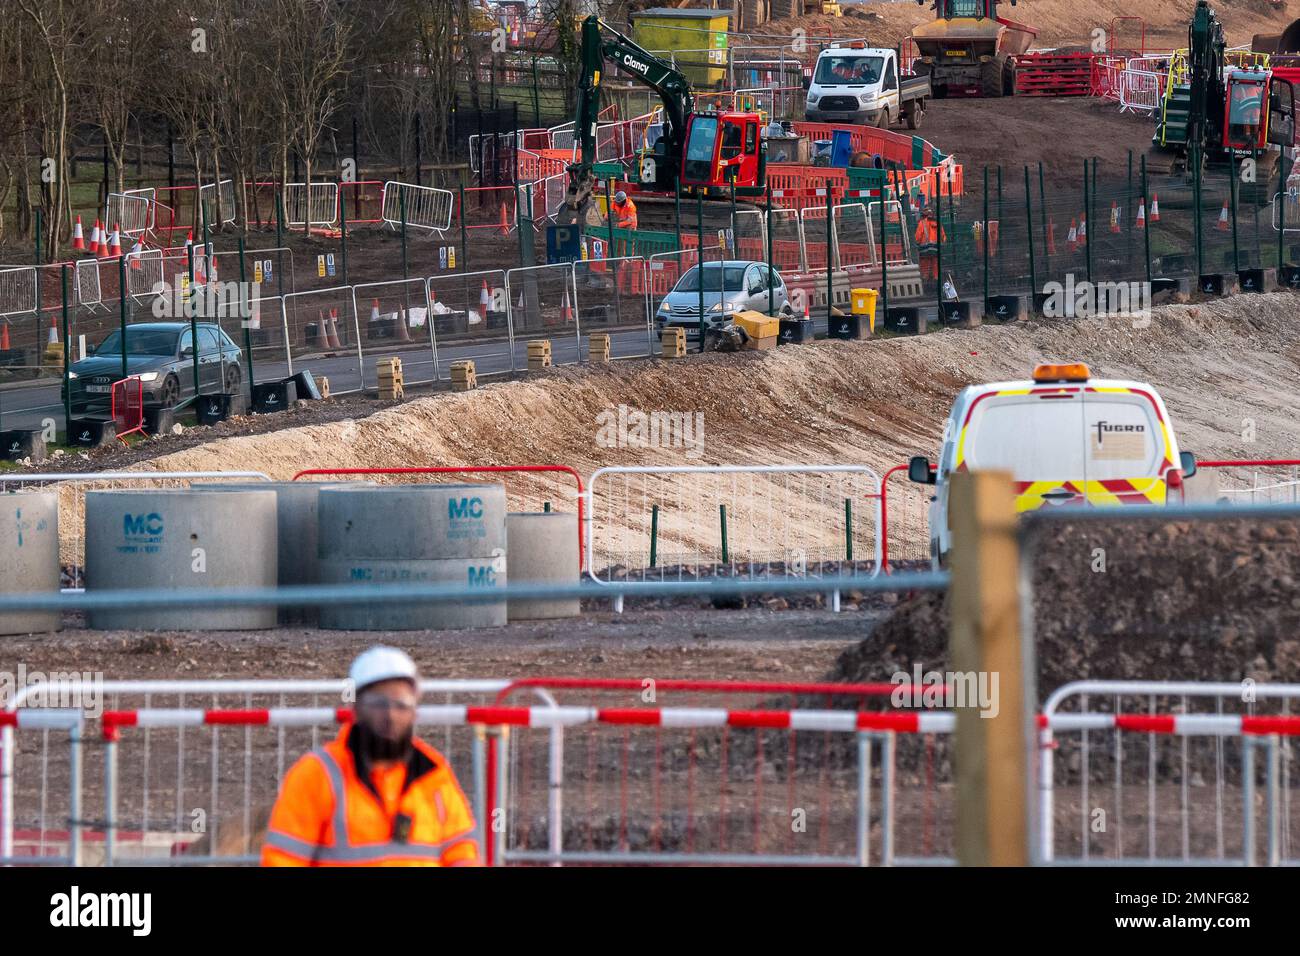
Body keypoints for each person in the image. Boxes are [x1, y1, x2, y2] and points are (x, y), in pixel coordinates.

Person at [261, 646, 480, 867]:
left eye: (402, 704)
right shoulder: (317, 775)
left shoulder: (434, 774)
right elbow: (282, 859)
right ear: (355, 707)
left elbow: (461, 852)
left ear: (415, 711)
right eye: (378, 704)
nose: (390, 716)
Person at [914, 206, 945, 281]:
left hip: (924, 250)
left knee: (925, 266)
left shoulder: (922, 223)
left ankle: (925, 280)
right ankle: (936, 279)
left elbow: (918, 237)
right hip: (936, 249)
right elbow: (943, 236)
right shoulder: (937, 222)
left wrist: (916, 243)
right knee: (935, 265)